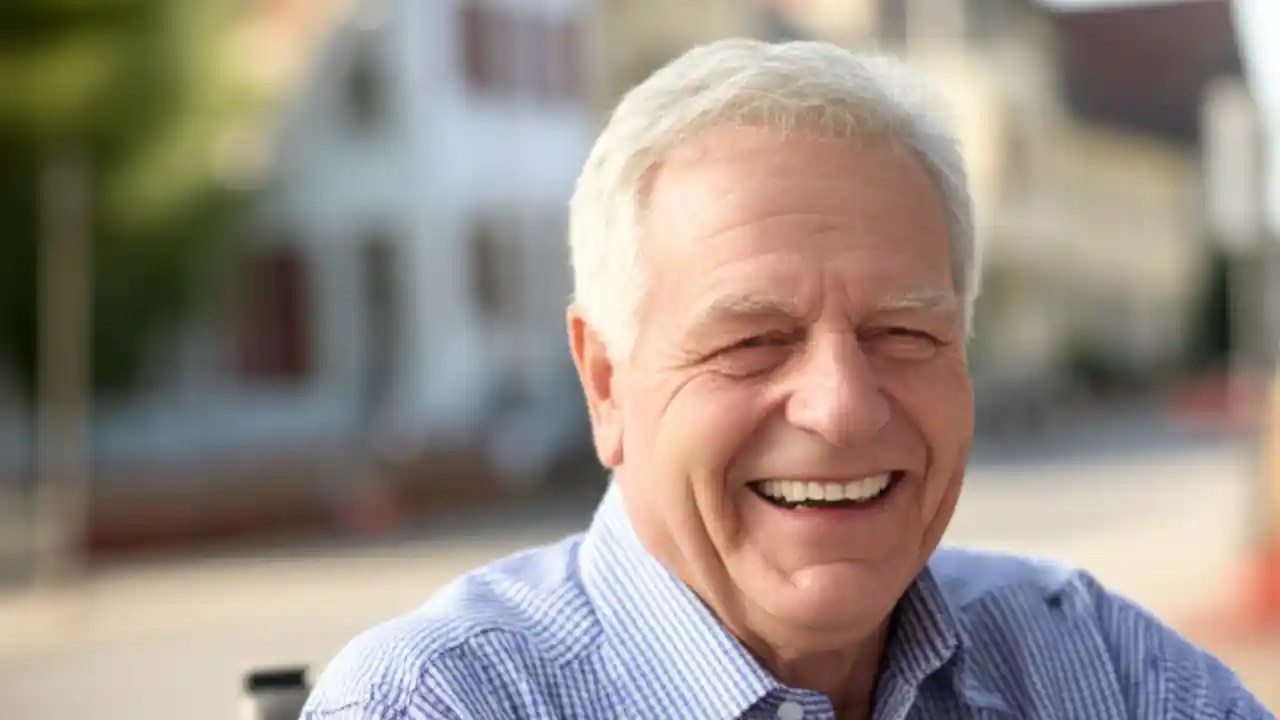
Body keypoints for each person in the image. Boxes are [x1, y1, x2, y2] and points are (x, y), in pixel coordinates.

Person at [302, 40, 1270, 719]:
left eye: (900, 331)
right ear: (605, 383)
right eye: (752, 341)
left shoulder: (1098, 670)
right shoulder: (441, 706)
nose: (842, 407)